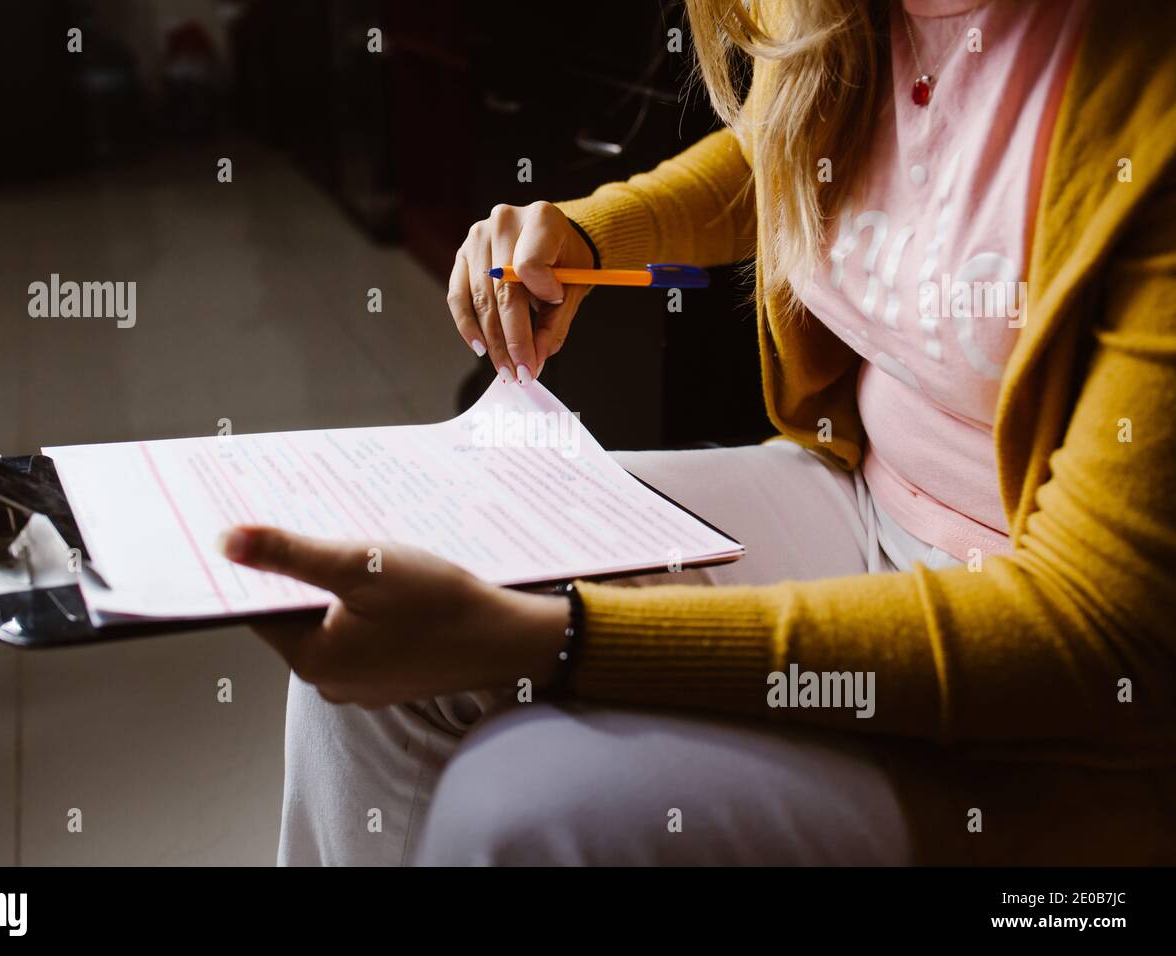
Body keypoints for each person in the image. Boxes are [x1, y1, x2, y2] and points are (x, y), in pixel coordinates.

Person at [220, 0, 1176, 865]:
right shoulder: (872, 17)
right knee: (376, 597)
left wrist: (551, 639)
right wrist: (594, 234)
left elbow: (1100, 639)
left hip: (1074, 710)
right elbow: (789, 150)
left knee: (518, 810)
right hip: (860, 499)